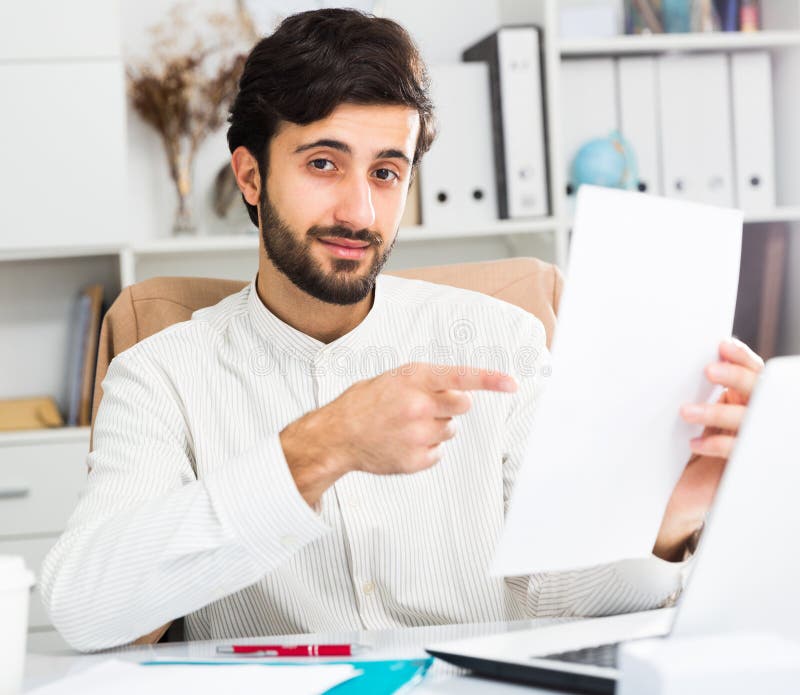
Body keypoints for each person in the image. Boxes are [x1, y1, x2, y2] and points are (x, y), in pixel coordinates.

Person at [41, 9, 764, 652]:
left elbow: (563, 592)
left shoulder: (504, 340)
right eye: (323, 163)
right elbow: (87, 608)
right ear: (251, 177)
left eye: (387, 172)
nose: (359, 210)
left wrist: (670, 522)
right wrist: (320, 447)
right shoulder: (161, 372)